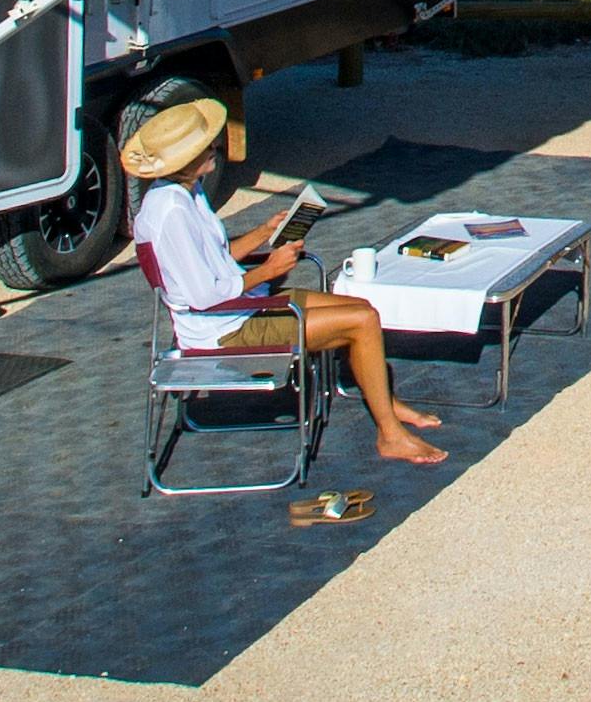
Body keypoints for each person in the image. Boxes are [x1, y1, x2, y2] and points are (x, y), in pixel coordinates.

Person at [122, 99, 444, 466]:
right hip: (224, 328)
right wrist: (269, 271)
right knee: (362, 322)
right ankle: (390, 434)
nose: (216, 147)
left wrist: (264, 232)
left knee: (364, 310)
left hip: (242, 308)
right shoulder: (172, 212)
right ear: (185, 160)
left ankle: (384, 403)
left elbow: (217, 258)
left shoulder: (186, 193)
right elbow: (203, 295)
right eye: (206, 145)